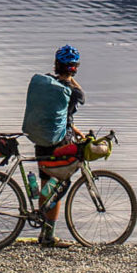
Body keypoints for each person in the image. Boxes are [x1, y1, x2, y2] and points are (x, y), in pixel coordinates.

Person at [21, 45, 85, 246]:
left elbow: (59, 117)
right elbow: (77, 100)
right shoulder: (73, 92)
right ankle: (48, 236)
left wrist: (75, 129)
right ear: (74, 68)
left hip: (41, 140)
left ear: (56, 65)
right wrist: (71, 78)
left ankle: (42, 227)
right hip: (59, 143)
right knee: (59, 183)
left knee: (45, 183)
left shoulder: (47, 83)